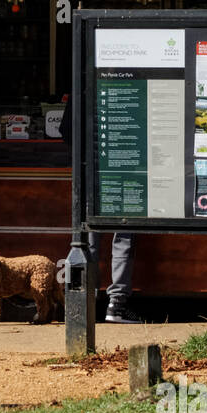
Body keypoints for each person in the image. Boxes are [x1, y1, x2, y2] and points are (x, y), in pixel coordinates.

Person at [58, 96, 142, 323]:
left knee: (89, 240)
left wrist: (87, 156)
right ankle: (117, 306)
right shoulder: (132, 85)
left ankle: (88, 305)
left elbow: (65, 130)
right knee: (123, 238)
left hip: (92, 174)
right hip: (127, 170)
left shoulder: (83, 79)